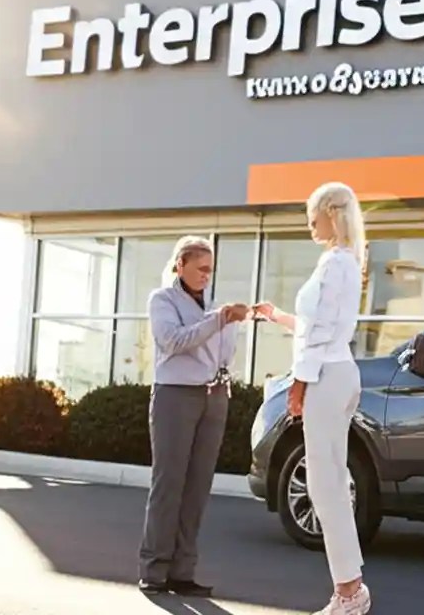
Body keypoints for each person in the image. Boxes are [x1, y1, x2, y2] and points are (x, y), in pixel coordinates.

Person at [254, 182, 371, 615]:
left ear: (332, 214)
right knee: (332, 484)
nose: (310, 224)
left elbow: (320, 333)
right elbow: (316, 325)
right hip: (339, 371)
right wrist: (279, 316)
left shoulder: (335, 262)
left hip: (326, 376)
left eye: (313, 216)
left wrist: (299, 385)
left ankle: (350, 593)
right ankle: (351, 588)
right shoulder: (345, 262)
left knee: (326, 487)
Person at [138, 235, 251, 596]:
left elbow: (223, 354)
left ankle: (183, 572)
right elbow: (172, 341)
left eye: (210, 270)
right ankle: (154, 570)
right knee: (169, 484)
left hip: (214, 397)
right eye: (201, 268)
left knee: (198, 487)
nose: (206, 275)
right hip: (175, 396)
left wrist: (230, 322)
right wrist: (219, 320)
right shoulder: (162, 300)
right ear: (180, 265)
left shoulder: (213, 305)